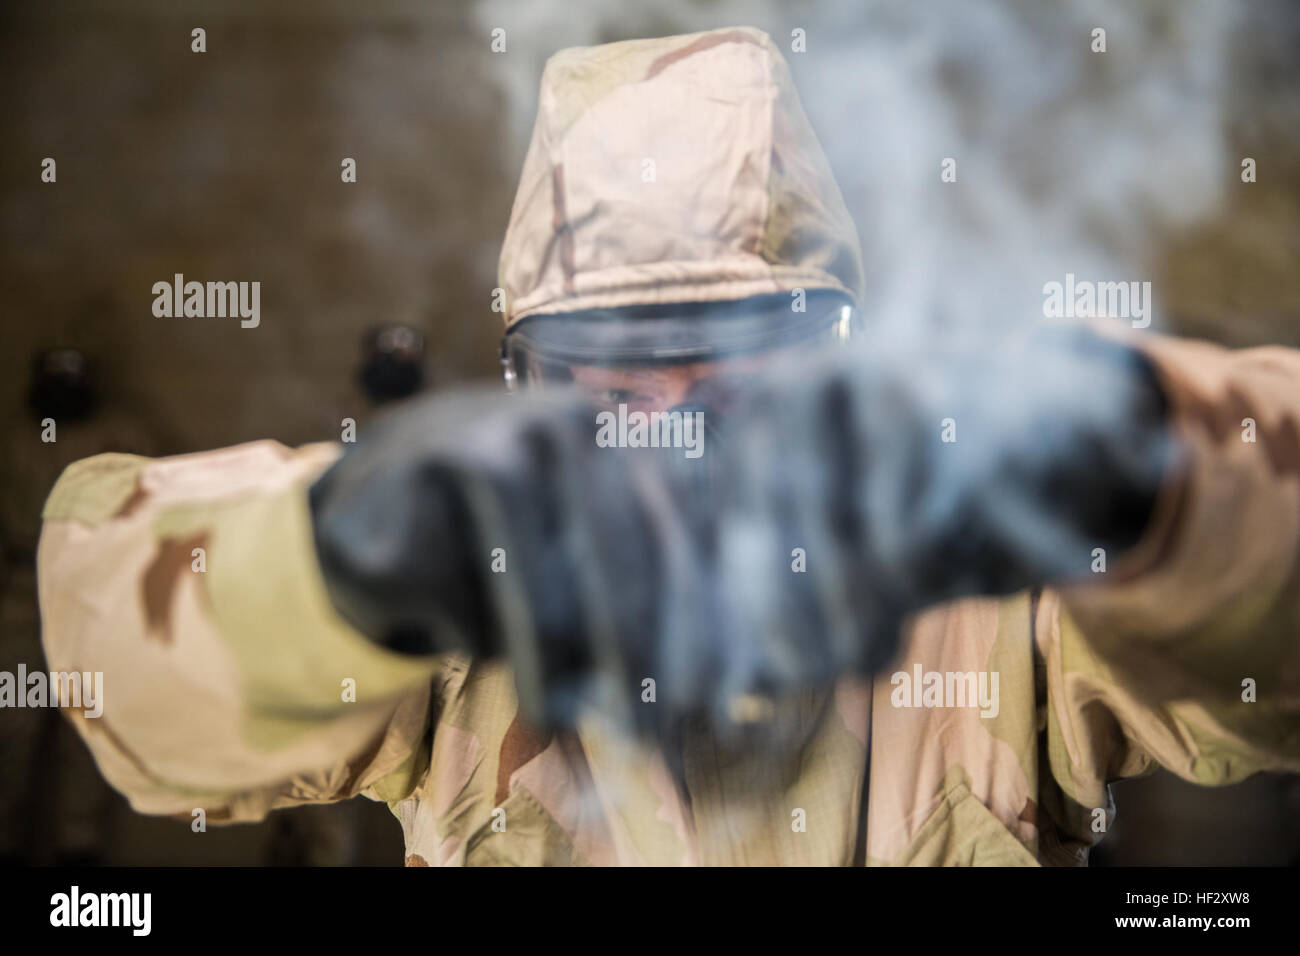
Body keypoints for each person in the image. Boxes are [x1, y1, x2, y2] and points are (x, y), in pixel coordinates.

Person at [37, 27, 1300, 866]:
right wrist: (332, 570)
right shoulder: (463, 614)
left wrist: (1151, 476)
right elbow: (119, 662)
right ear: (525, 386)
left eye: (737, 384)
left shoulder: (995, 603)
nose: (677, 439)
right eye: (611, 386)